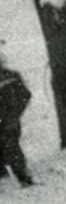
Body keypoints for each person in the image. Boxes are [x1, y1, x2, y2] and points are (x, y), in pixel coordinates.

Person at [0, 51, 34, 186]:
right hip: (11, 119)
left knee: (10, 146)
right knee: (10, 145)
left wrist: (12, 113)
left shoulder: (11, 76)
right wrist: (15, 112)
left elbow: (25, 95)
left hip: (7, 120)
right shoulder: (13, 76)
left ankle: (22, 177)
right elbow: (25, 95)